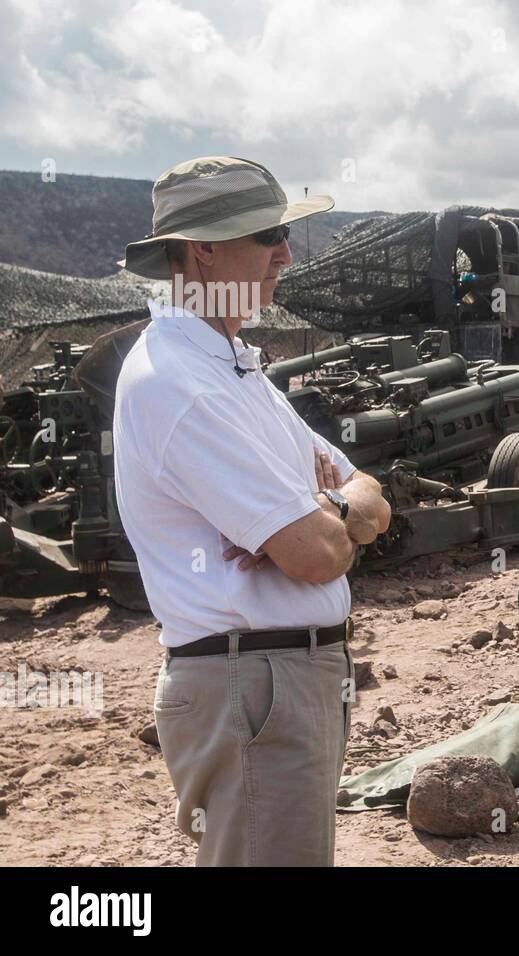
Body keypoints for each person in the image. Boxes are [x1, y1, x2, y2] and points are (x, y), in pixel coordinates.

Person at [114, 156, 391, 866]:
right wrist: (325, 519)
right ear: (203, 248)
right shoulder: (182, 383)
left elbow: (369, 494)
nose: (285, 255)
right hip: (254, 683)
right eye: (266, 234)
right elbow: (317, 554)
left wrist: (327, 506)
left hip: (278, 679)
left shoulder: (229, 367)